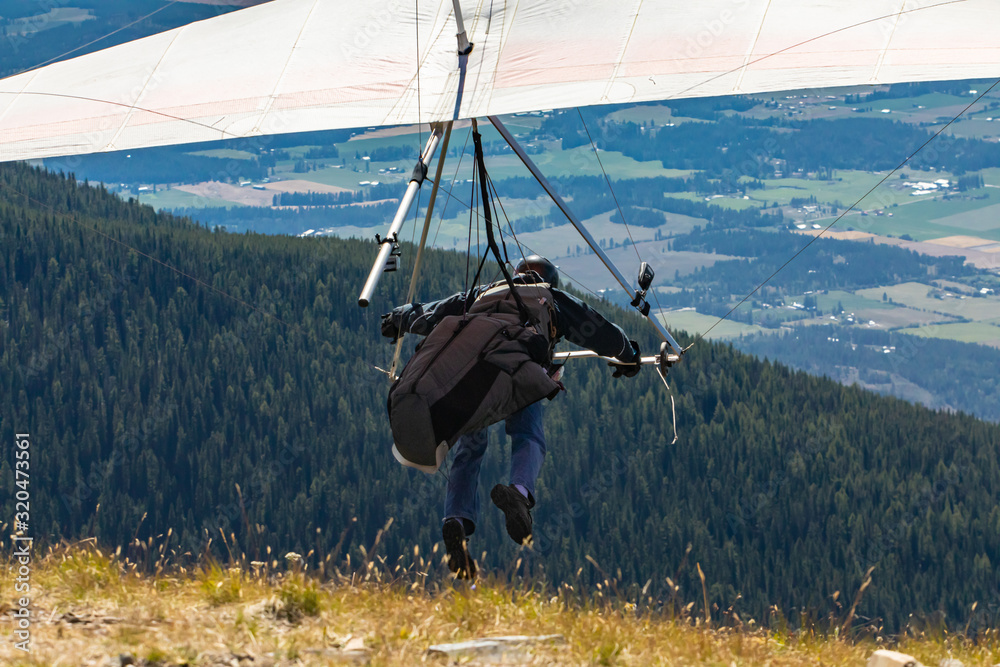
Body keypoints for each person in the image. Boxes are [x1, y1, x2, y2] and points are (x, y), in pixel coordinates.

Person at [380, 255, 642, 579]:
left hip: (471, 380)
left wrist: (398, 318)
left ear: (515, 274)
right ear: (548, 281)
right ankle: (519, 493)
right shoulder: (549, 296)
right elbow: (598, 329)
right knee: (528, 434)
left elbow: (432, 313)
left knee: (469, 449)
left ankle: (456, 518)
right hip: (514, 373)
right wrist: (628, 354)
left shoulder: (483, 293)